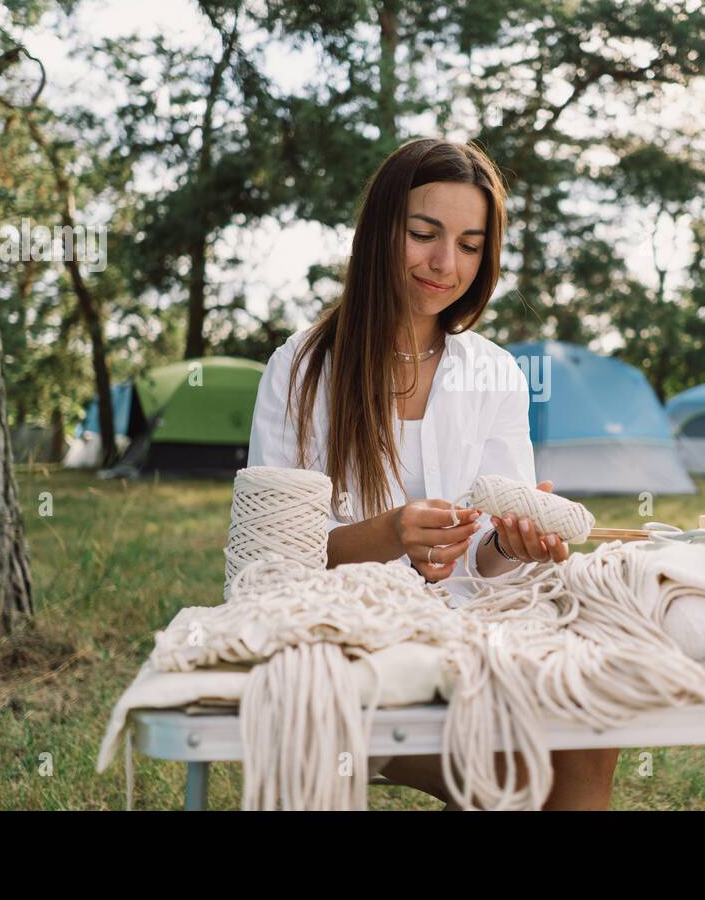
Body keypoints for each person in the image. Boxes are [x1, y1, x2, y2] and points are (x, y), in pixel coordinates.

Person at [247, 137, 619, 810]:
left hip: (469, 631)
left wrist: (510, 543)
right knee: (517, 775)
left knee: (586, 735)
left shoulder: (495, 372)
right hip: (349, 643)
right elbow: (270, 560)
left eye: (471, 245)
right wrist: (388, 535)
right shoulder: (300, 369)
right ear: (380, 229)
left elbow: (487, 558)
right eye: (424, 234)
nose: (446, 264)